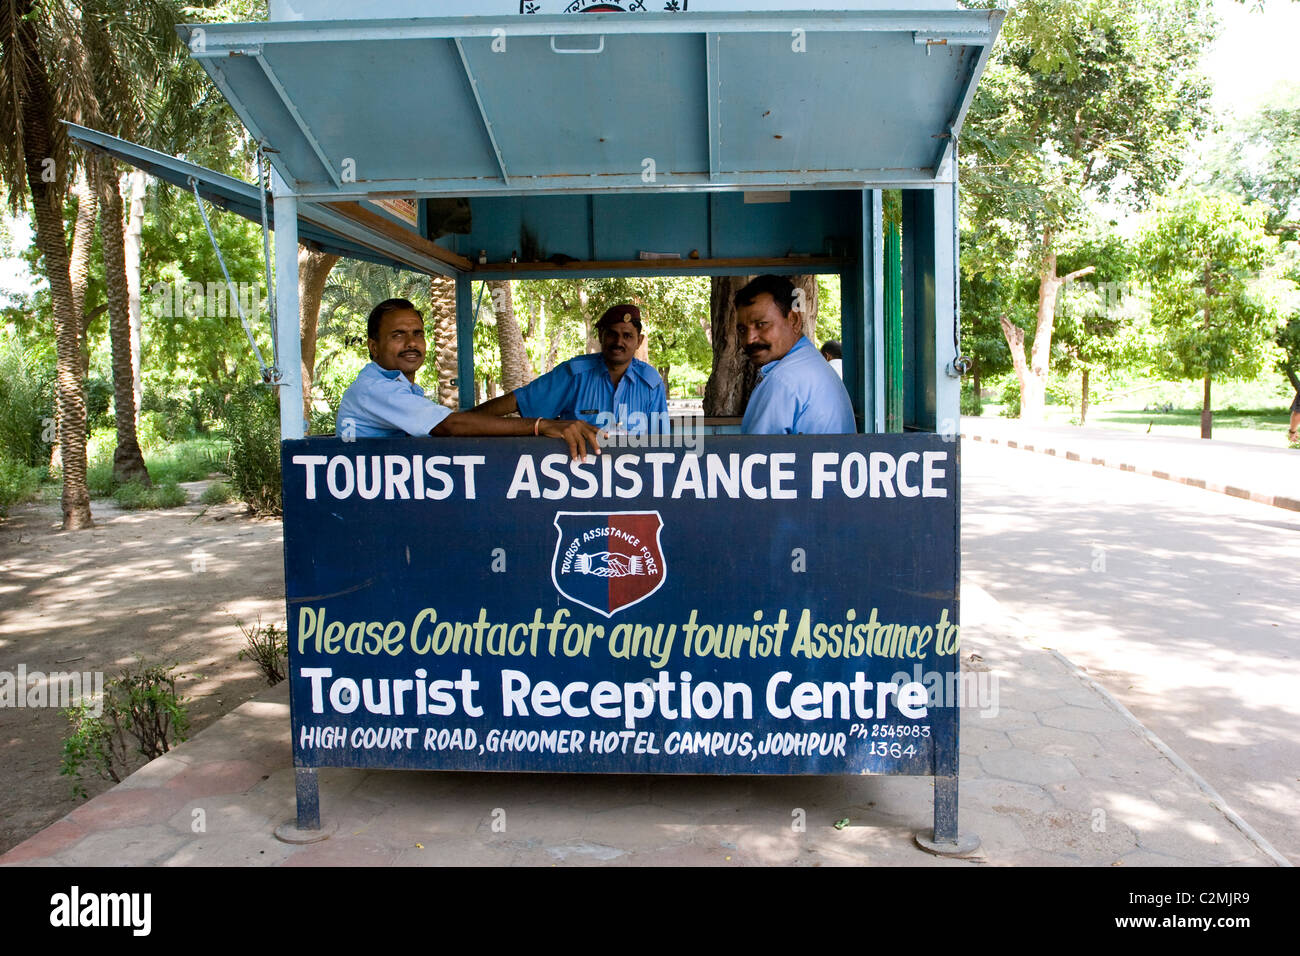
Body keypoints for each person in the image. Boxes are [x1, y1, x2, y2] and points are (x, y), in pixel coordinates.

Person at [336, 298, 602, 460]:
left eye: (417, 334)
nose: (411, 343)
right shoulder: (375, 389)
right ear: (373, 347)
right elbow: (448, 426)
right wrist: (541, 426)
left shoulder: (399, 386)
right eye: (398, 335)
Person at [471, 304, 668, 434]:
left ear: (639, 341)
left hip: (631, 481)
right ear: (601, 335)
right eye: (612, 334)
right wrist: (464, 422)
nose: (619, 342)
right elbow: (519, 400)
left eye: (627, 336)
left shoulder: (651, 383)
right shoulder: (574, 374)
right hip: (575, 480)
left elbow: (662, 442)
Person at [734, 275, 856, 435]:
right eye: (743, 330)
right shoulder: (811, 364)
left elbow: (753, 457)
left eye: (761, 325)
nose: (750, 339)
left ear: (794, 320)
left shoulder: (783, 380)